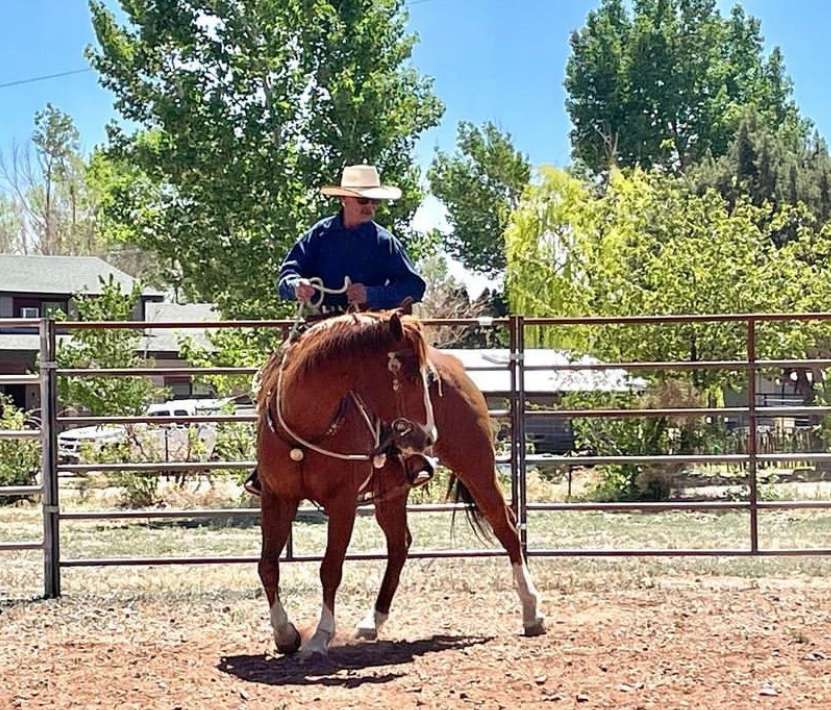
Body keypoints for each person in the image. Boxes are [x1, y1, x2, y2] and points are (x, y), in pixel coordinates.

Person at [244, 164, 426, 496]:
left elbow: (415, 286)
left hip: (366, 335)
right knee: (277, 373)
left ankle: (404, 456)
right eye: (363, 201)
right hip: (320, 329)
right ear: (344, 200)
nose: (370, 207)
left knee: (393, 382)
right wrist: (296, 286)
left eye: (373, 201)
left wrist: (371, 294)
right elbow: (287, 274)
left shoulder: (384, 241)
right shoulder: (319, 235)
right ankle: (268, 462)